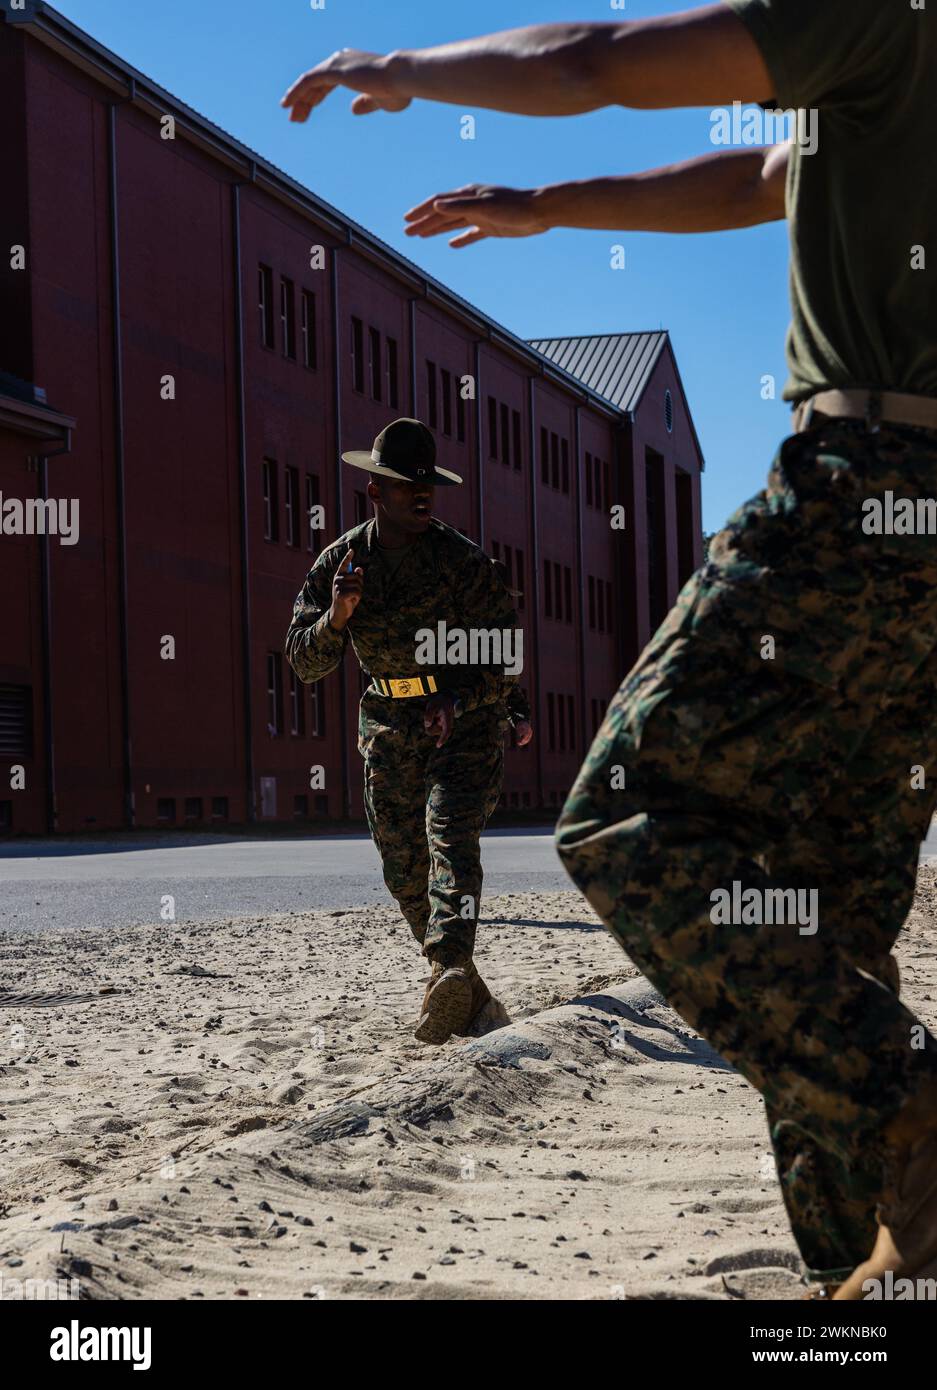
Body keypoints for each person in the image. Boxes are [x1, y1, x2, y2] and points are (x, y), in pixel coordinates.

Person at [283, 4, 937, 1299]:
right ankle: (880, 1266)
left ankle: (908, 1103)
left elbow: (594, 58)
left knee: (625, 816)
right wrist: (550, 205)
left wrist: (400, 67)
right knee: (813, 918)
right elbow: (764, 176)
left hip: (868, 487)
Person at [285, 417, 518, 1044]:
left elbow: (504, 654)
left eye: (427, 487)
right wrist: (338, 617)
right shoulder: (341, 563)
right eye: (405, 486)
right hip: (388, 723)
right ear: (374, 493)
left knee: (450, 835)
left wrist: (461, 697)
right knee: (401, 864)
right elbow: (303, 662)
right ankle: (467, 991)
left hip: (461, 725)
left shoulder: (461, 562)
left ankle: (446, 966)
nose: (420, 497)